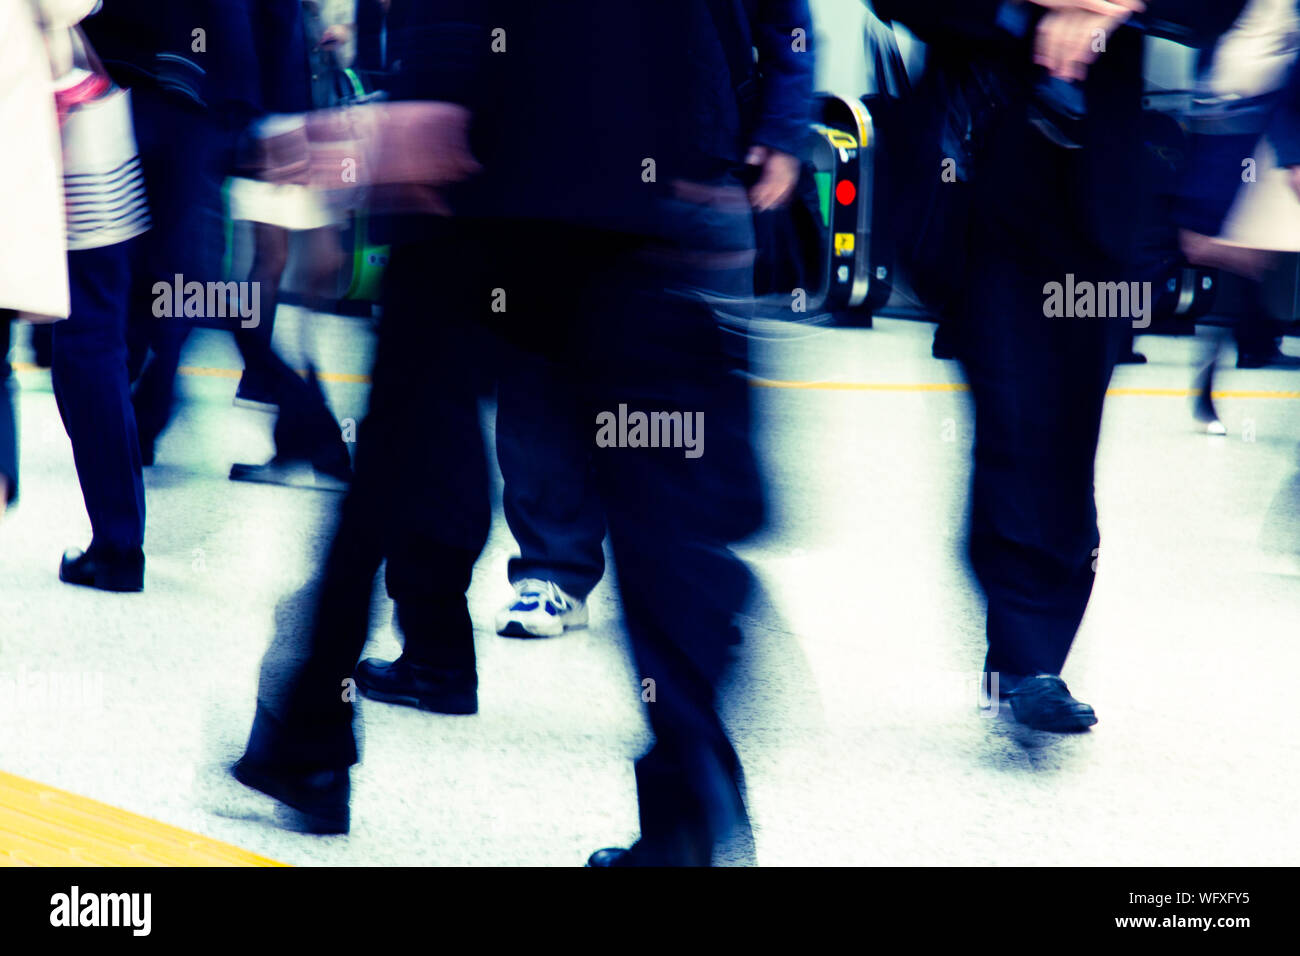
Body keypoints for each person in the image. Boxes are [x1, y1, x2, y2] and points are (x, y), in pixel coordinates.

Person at [233, 1, 812, 868]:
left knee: (404, 444)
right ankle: (694, 792)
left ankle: (310, 732)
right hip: (644, 136)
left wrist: (437, 82)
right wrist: (747, 114)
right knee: (656, 488)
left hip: (492, 144)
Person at [871, 0, 1250, 731]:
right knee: (1014, 419)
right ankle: (1026, 654)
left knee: (1070, 432)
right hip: (984, 188)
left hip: (1099, 201)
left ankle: (1029, 646)